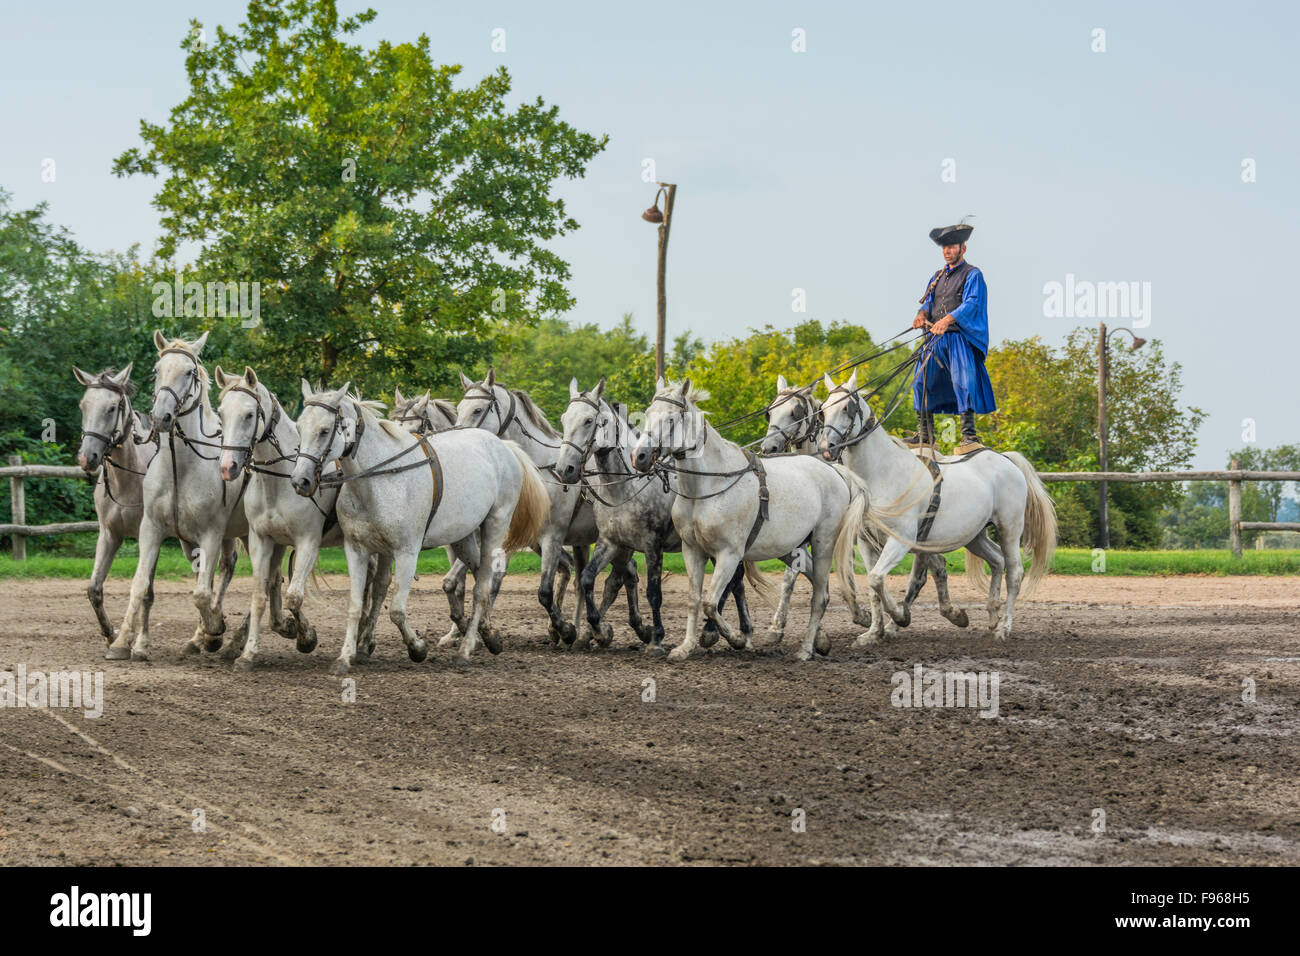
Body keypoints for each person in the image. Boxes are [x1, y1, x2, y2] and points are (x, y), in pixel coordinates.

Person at [905, 221, 996, 454]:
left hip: (957, 339)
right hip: (934, 340)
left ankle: (969, 437)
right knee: (920, 381)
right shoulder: (936, 277)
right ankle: (926, 436)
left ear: (962, 248)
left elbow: (972, 303)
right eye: (944, 248)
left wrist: (947, 320)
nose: (947, 251)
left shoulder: (972, 274)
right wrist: (921, 314)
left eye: (952, 247)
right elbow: (927, 302)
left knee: (963, 382)